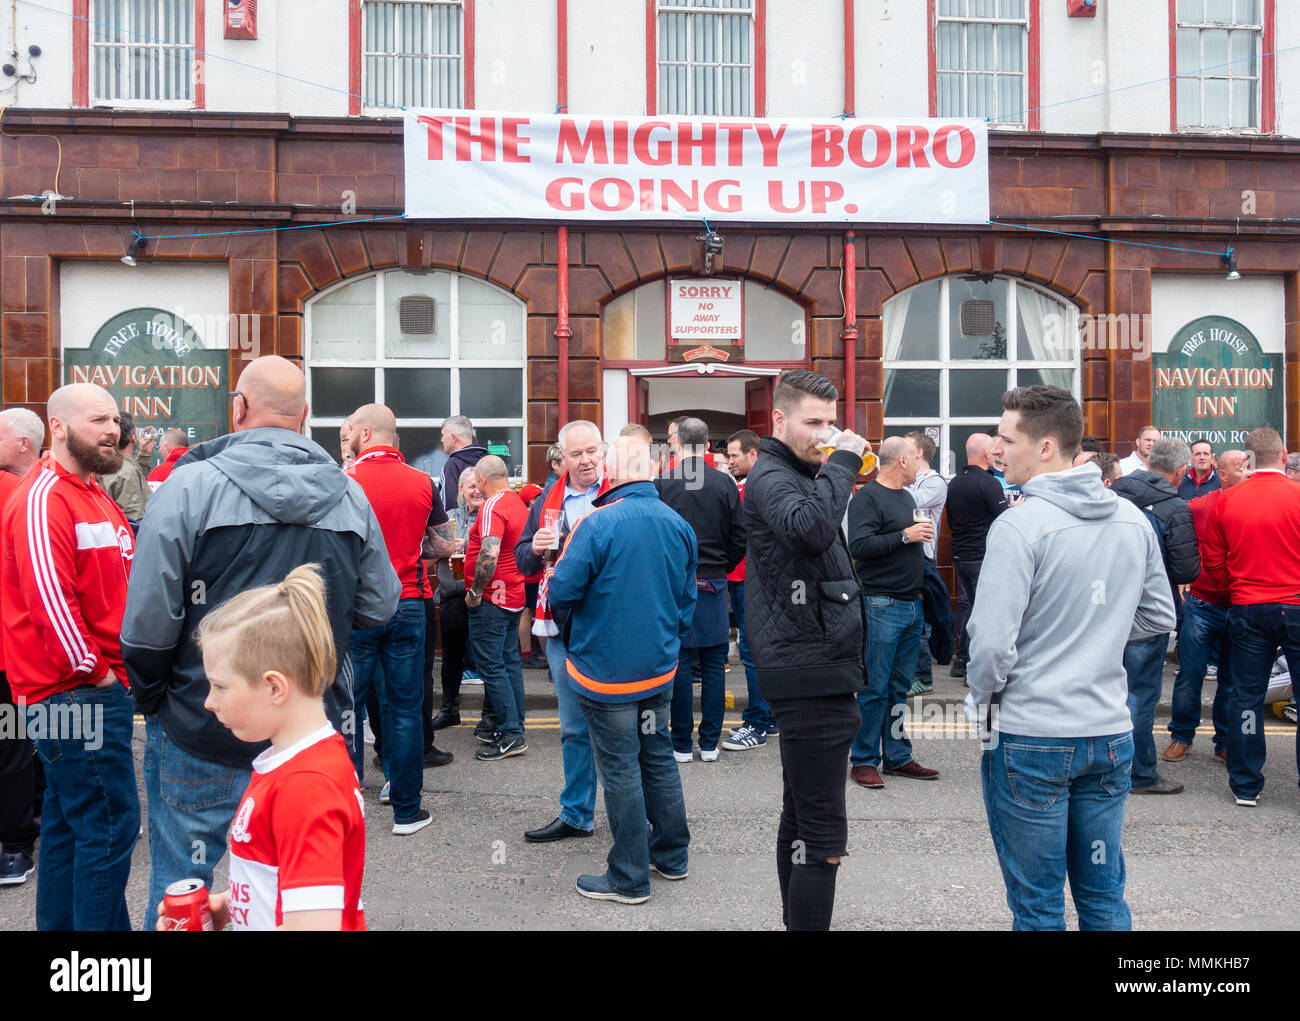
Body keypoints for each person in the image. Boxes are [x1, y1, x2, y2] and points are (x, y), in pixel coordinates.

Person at [122, 356, 400, 930]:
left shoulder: (189, 486)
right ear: (304, 418)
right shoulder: (348, 495)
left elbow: (147, 621)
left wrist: (155, 700)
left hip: (204, 722)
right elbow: (380, 604)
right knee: (302, 884)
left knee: (183, 892)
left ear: (239, 408)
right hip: (306, 724)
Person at [967, 385, 1176, 931]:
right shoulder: (1132, 519)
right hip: (1107, 731)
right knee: (1103, 894)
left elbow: (991, 645)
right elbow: (1158, 618)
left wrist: (982, 702)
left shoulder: (1018, 525)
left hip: (1031, 732)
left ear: (1045, 447)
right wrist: (1096, 635)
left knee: (1037, 904)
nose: (996, 448)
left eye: (1007, 439)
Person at [1, 384, 139, 930]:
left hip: (84, 691)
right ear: (57, 427)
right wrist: (100, 674)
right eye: (96, 419)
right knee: (108, 827)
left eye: (113, 418)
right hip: (75, 692)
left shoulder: (92, 490)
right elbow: (49, 601)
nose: (111, 428)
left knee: (67, 828)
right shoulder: (45, 495)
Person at [172, 565, 366, 930]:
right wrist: (229, 908)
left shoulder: (306, 787)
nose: (209, 702)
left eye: (220, 686)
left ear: (275, 687)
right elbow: (287, 880)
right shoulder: (300, 764)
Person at [744, 369, 869, 931]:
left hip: (809, 665)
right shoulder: (773, 474)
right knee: (822, 835)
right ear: (778, 420)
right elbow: (812, 531)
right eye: (812, 422)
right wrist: (842, 461)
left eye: (830, 422)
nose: (823, 433)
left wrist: (832, 466)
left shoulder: (794, 471)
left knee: (800, 818)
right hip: (809, 670)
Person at [546, 436, 696, 904]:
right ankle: (671, 855)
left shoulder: (596, 523)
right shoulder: (677, 523)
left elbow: (561, 592)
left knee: (620, 768)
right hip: (657, 666)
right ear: (653, 469)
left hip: (606, 672)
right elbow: (685, 601)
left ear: (610, 471)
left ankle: (629, 877)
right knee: (657, 756)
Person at [344, 405, 456, 836]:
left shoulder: (345, 482)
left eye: (352, 429)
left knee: (349, 708)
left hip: (357, 608)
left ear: (368, 433)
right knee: (406, 709)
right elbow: (442, 546)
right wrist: (409, 548)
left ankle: (348, 806)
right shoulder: (424, 482)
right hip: (409, 603)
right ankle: (407, 811)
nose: (349, 435)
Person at [515, 421, 610, 841]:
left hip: (611, 626)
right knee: (573, 727)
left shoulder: (620, 493)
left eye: (592, 451)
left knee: (625, 729)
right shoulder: (544, 502)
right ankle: (577, 814)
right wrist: (533, 549)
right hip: (560, 628)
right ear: (561, 459)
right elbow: (520, 561)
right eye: (577, 454)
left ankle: (639, 817)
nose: (586, 460)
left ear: (603, 452)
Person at [1201, 427, 1300, 807]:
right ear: (1284, 454)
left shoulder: (1228, 500)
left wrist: (1236, 586)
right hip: (1294, 602)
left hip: (1248, 605)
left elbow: (1213, 560)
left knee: (1246, 696)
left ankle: (1245, 784)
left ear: (1248, 460)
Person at [846, 435, 941, 788]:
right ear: (902, 460)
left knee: (899, 688)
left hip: (911, 603)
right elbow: (859, 545)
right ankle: (864, 760)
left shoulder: (906, 496)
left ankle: (898, 757)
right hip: (881, 603)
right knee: (875, 688)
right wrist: (906, 535)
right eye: (917, 458)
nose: (920, 463)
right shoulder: (868, 497)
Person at [1112, 437, 1200, 796]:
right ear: (1180, 471)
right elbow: (1185, 570)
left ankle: (1103, 763)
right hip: (1147, 614)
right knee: (1140, 696)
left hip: (1105, 609)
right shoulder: (1175, 508)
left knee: (1107, 692)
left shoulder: (1113, 493)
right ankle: (1140, 774)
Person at [655, 418, 745, 763]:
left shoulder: (662, 483)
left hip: (676, 582)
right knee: (712, 665)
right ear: (708, 446)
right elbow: (740, 537)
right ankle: (709, 744)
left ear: (676, 444)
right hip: (713, 581)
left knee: (679, 663)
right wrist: (722, 564)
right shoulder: (725, 483)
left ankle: (680, 743)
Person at [1164, 449, 1251, 764]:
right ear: (1223, 473)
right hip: (1203, 602)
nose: (1248, 471)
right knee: (1190, 674)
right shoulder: (1199, 505)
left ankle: (1224, 741)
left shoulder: (1253, 503)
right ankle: (1181, 736)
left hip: (1242, 604)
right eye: (1241, 467)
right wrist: (1182, 577)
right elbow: (1181, 543)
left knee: (1231, 678)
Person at [0, 408, 44, 887]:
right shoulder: (33, 493)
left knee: (14, 744)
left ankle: (16, 846)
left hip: (16, 648)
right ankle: (19, 843)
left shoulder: (23, 494)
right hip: (23, 647)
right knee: (21, 744)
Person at [465, 455, 531, 761]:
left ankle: (511, 733)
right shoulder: (517, 502)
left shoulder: (492, 505)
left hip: (493, 596)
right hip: (513, 594)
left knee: (492, 666)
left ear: (481, 480)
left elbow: (489, 553)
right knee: (508, 662)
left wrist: (476, 591)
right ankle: (515, 724)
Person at [719, 428, 777, 751]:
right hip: (758, 579)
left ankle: (756, 722)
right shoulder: (764, 485)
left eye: (734, 455)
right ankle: (769, 717)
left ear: (753, 454)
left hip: (749, 580)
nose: (730, 462)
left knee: (752, 652)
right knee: (763, 652)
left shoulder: (751, 489)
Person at [431, 469, 496, 736]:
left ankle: (490, 715)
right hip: (452, 594)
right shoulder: (448, 516)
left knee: (487, 656)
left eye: (478, 484)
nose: (476, 490)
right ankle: (450, 709)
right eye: (470, 485)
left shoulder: (491, 516)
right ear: (460, 490)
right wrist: (444, 546)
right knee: (451, 656)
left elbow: (493, 548)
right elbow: (431, 545)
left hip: (481, 594)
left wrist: (467, 544)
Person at [944, 433, 1009, 679]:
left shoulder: (955, 483)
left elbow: (950, 521)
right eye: (994, 449)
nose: (998, 453)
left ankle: (961, 661)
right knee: (984, 611)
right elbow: (1004, 520)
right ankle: (973, 665)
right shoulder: (990, 484)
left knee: (972, 607)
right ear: (986, 454)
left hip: (960, 556)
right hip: (982, 556)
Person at [905, 430, 949, 697]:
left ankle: (923, 676)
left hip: (922, 556)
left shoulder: (934, 482)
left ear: (918, 453)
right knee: (910, 615)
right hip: (904, 553)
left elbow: (911, 503)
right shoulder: (908, 480)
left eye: (906, 448)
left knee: (919, 618)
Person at [96, 412, 154, 524]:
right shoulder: (128, 473)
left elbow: (137, 487)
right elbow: (134, 521)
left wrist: (144, 455)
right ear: (133, 438)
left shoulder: (107, 463)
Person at [437, 414, 487, 506]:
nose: (441, 440)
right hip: (489, 519)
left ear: (453, 437)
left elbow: (448, 504)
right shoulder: (490, 462)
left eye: (443, 435)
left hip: (460, 520)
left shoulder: (452, 465)